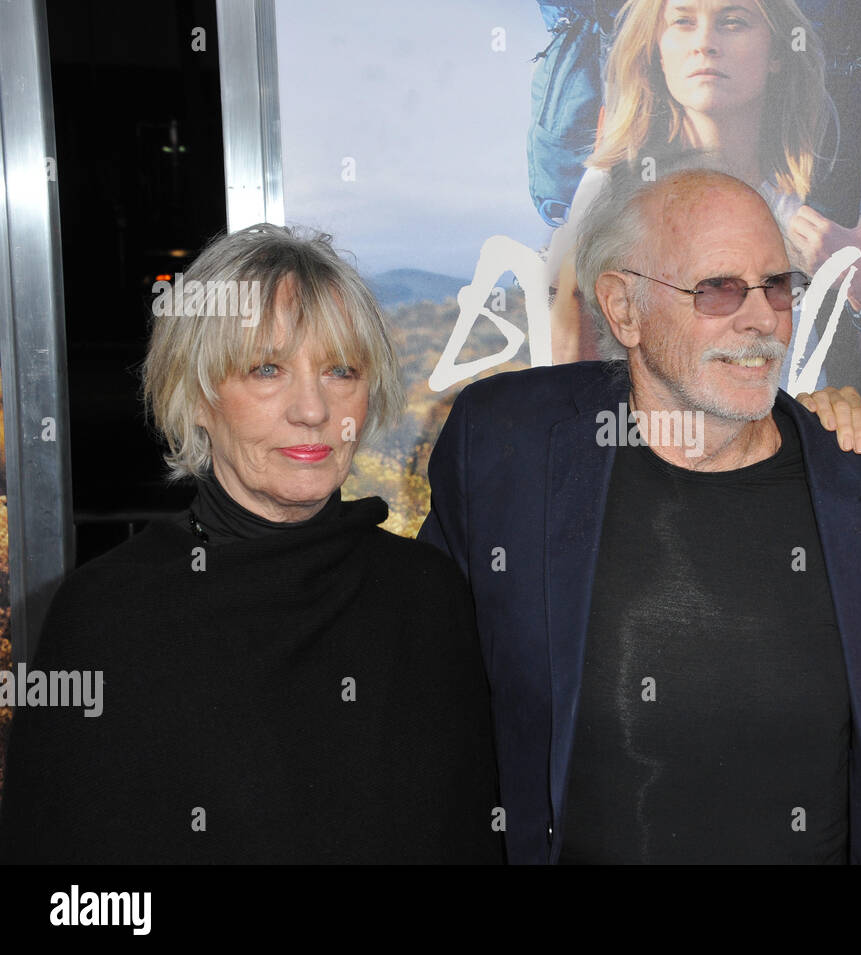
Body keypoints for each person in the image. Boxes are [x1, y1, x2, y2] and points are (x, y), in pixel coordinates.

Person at [418, 168, 861, 864]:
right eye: (718, 288)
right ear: (623, 308)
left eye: (777, 285)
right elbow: (426, 698)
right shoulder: (508, 446)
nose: (760, 318)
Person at [0, 225, 502, 864]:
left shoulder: (428, 595)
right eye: (267, 370)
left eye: (340, 371)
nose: (313, 410)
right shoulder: (110, 614)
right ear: (199, 397)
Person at [546, 0, 861, 399]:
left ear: (777, 54)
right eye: (683, 21)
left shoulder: (852, 187)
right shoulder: (612, 186)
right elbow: (573, 369)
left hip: (808, 452)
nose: (704, 42)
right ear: (657, 53)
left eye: (733, 23)